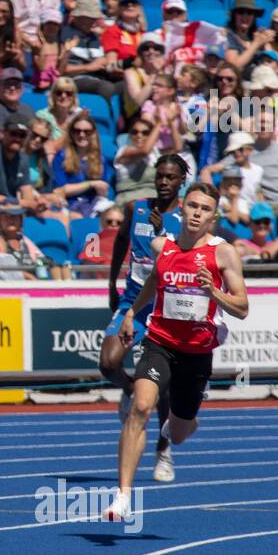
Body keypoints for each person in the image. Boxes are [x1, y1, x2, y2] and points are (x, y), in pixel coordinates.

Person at [103, 181, 250, 521]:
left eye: (205, 210)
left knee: (180, 433)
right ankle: (122, 496)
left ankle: (180, 424)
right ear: (182, 208)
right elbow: (154, 280)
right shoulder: (163, 246)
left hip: (196, 352)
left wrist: (213, 291)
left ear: (213, 217)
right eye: (193, 206)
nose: (197, 214)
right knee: (141, 407)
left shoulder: (223, 252)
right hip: (160, 341)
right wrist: (129, 313)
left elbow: (242, 307)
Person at [99, 153, 187, 473]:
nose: (164, 182)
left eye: (171, 177)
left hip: (167, 309)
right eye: (160, 176)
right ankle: (127, 389)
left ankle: (163, 451)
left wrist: (164, 232)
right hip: (133, 303)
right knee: (108, 362)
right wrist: (112, 284)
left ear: (182, 182)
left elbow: (186, 262)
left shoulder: (187, 218)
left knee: (161, 387)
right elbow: (121, 241)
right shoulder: (135, 209)